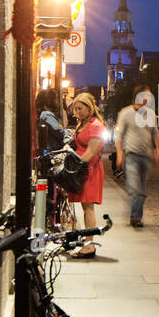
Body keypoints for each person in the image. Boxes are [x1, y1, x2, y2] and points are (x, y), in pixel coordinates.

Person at [115, 84, 159, 228]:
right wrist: (119, 153)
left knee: (141, 191)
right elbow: (119, 134)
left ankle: (136, 215)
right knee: (135, 188)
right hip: (132, 155)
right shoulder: (126, 113)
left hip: (146, 156)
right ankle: (135, 217)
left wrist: (158, 150)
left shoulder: (150, 114)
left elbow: (155, 132)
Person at [66, 92, 105, 257]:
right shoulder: (83, 123)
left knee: (88, 207)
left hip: (89, 170)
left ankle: (90, 245)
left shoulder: (95, 126)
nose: (77, 112)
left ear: (90, 108)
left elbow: (90, 153)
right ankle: (88, 242)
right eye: (75, 108)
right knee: (85, 206)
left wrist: (74, 163)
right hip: (81, 169)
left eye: (80, 108)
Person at [35, 89, 65, 153]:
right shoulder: (47, 115)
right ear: (49, 101)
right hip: (53, 151)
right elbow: (60, 132)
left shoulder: (44, 114)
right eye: (56, 98)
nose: (57, 101)